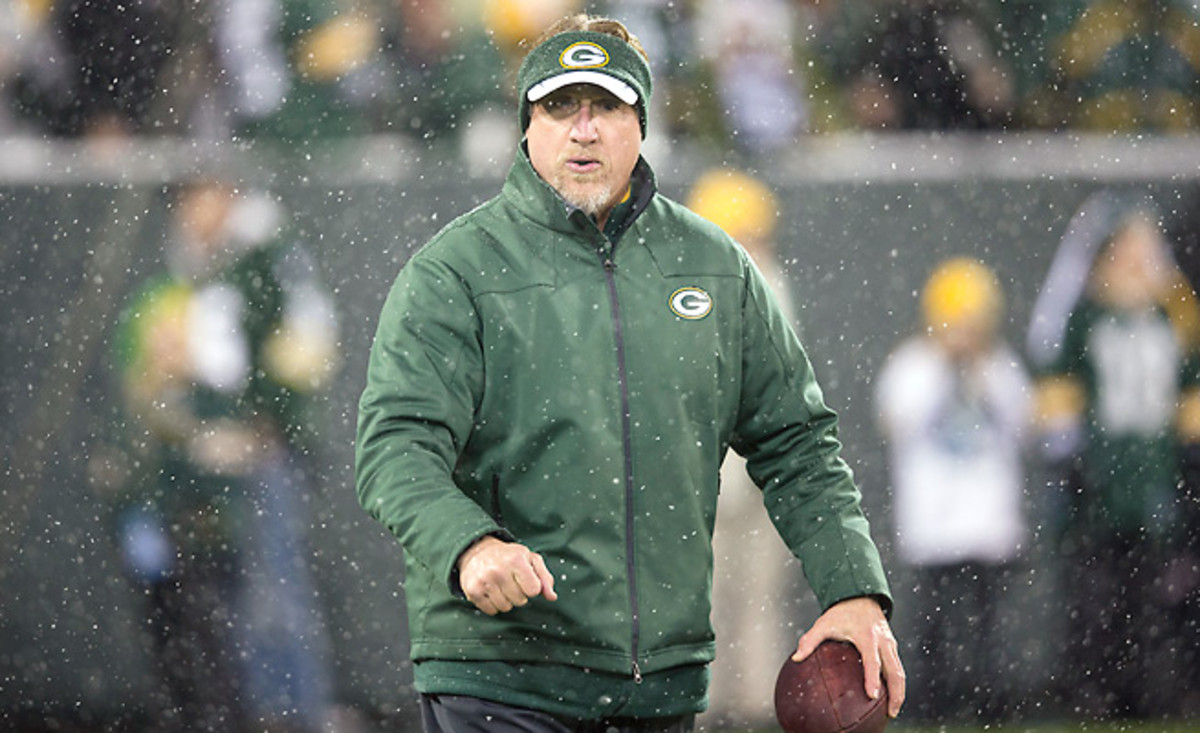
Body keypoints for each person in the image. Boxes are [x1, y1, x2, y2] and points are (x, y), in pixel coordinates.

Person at [355, 13, 905, 731]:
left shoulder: (715, 266)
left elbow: (798, 444)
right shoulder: (453, 272)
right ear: (527, 126)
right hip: (500, 676)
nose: (583, 130)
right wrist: (468, 544)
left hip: (658, 690)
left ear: (641, 124)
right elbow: (395, 446)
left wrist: (854, 590)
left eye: (607, 106)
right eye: (560, 106)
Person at [113, 177, 341, 732]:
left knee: (276, 591)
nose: (192, 211)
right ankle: (259, 711)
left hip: (261, 454)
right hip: (213, 463)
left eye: (201, 196)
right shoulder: (195, 272)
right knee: (233, 597)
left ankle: (296, 713)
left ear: (226, 195)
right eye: (185, 201)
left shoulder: (266, 259)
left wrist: (265, 424)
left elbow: (304, 350)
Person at [1026, 190, 1200, 717]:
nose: (1141, 263)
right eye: (1129, 249)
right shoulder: (1084, 319)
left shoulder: (1173, 320)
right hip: (1100, 488)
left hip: (1156, 482)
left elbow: (1190, 402)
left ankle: (1150, 691)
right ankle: (1095, 691)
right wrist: (1076, 463)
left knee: (1156, 601)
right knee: (1097, 598)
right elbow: (1054, 398)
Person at [875, 257, 1031, 723]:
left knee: (988, 622)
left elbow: (1026, 422)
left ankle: (989, 702)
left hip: (987, 521)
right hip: (935, 521)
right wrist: (946, 367)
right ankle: (931, 700)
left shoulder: (1000, 367)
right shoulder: (913, 366)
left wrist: (978, 372)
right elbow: (896, 420)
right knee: (935, 623)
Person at [684, 168, 802, 729]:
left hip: (741, 473)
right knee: (717, 604)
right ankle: (723, 706)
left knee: (743, 602)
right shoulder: (711, 287)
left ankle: (744, 707)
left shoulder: (755, 284)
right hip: (727, 474)